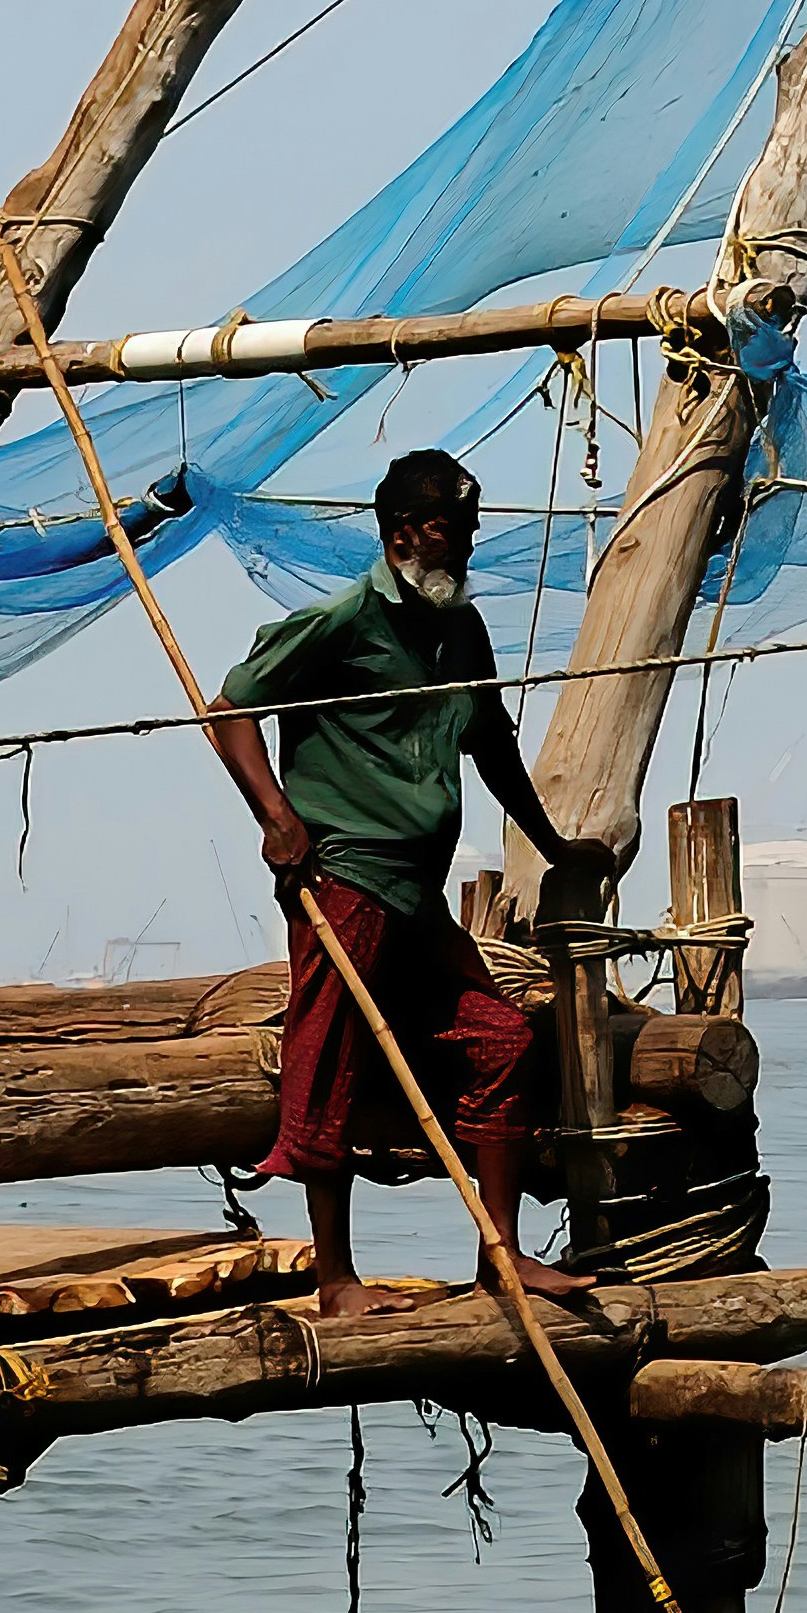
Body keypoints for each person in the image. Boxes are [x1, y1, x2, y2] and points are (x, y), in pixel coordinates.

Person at [205, 445, 570, 1307]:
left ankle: (503, 1256)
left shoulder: (462, 630)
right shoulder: (342, 622)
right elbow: (230, 708)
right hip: (344, 879)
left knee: (503, 1039)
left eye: (472, 532)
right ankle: (336, 1280)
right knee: (328, 1057)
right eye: (451, 531)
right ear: (403, 534)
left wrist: (556, 847)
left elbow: (494, 750)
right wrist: (279, 820)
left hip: (418, 894)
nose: (466, 549)